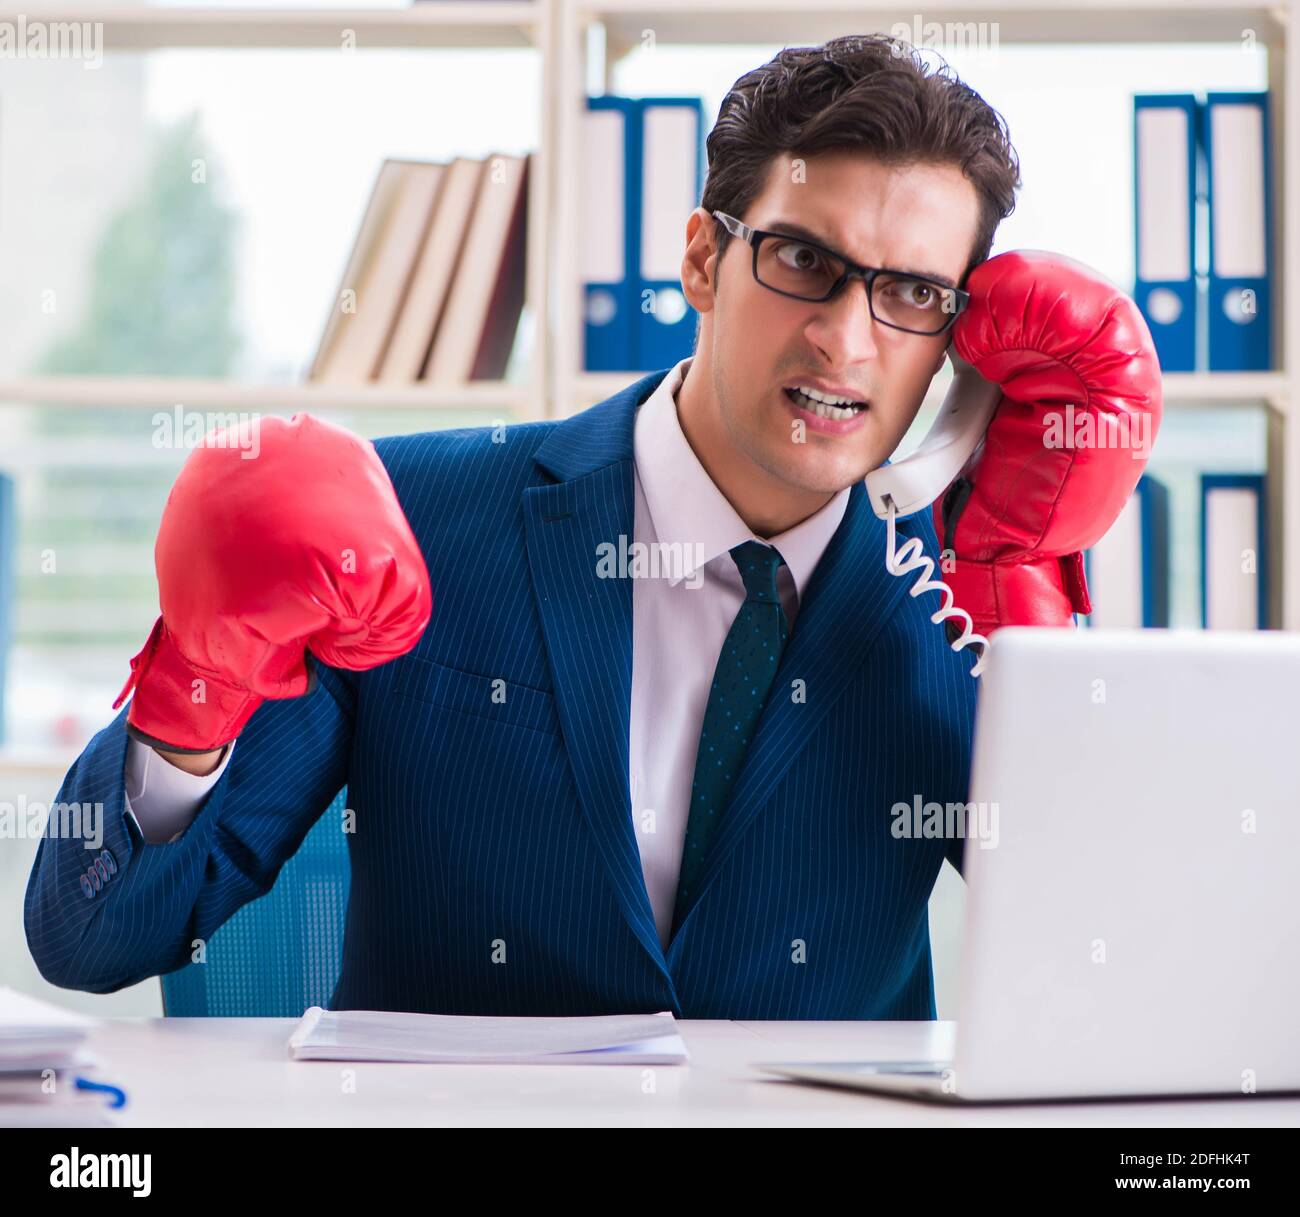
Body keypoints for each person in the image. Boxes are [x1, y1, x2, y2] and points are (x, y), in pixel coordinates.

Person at [26, 35, 1160, 1018]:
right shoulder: (414, 516)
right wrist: (195, 684)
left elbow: (1110, 967)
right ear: (705, 259)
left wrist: (1020, 601)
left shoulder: (960, 595)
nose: (844, 340)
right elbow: (93, 936)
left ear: (960, 335)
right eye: (805, 260)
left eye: (912, 293)